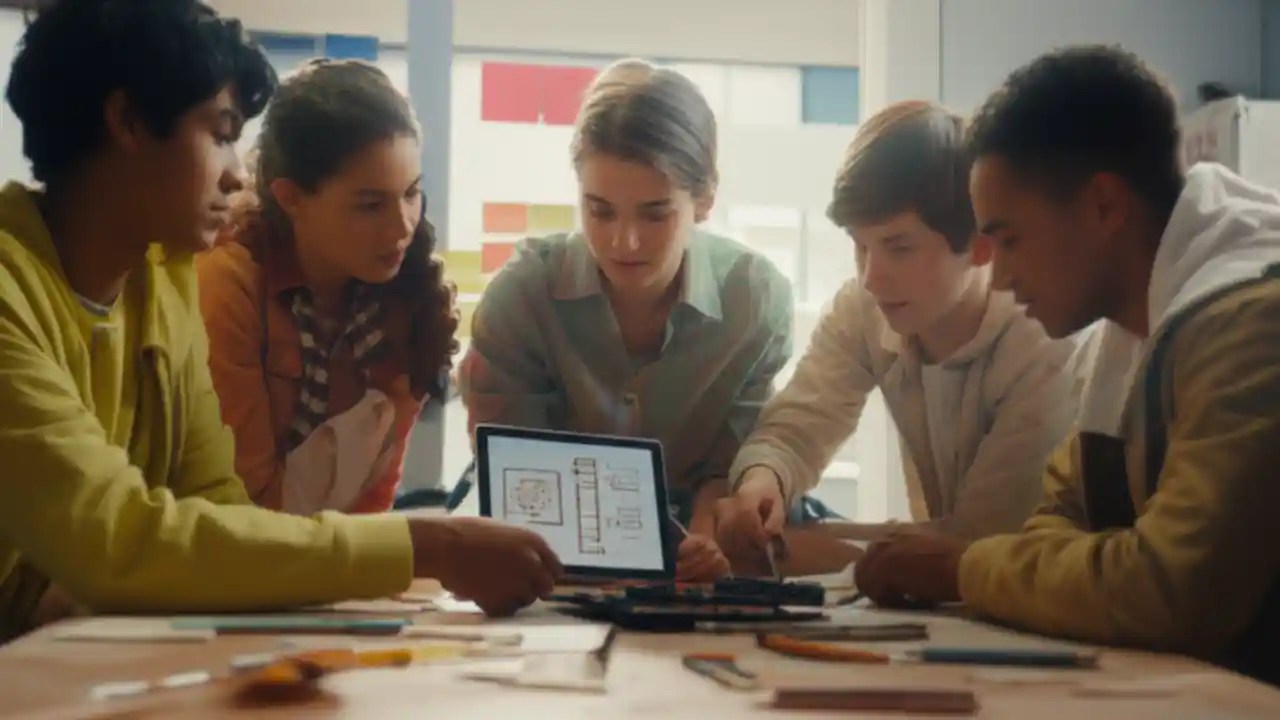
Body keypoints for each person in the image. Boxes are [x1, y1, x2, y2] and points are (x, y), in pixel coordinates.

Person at [0, 0, 559, 641]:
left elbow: (217, 506)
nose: (239, 171)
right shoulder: (15, 288)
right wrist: (422, 546)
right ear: (127, 122)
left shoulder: (164, 278)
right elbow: (119, 539)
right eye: (220, 131)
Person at [853, 46, 1280, 685]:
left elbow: (1169, 588)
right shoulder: (1117, 337)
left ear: (1104, 206)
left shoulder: (1251, 321)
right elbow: (1055, 523)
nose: (997, 277)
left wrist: (961, 568)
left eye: (1011, 239)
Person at [458, 59, 794, 582]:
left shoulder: (756, 299)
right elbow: (515, 475)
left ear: (704, 199)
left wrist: (706, 537)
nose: (623, 241)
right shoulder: (521, 296)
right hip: (548, 537)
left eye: (655, 213)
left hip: (697, 532)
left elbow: (730, 464)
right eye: (600, 210)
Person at [714, 101, 1079, 561]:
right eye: (859, 246)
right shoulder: (865, 307)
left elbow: (983, 544)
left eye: (898, 247)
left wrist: (807, 551)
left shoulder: (1043, 345)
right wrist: (762, 481)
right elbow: (796, 429)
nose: (871, 276)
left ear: (979, 246)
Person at [198, 60, 456, 515]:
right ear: (291, 197)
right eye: (371, 205)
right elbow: (243, 507)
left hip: (331, 569)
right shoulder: (227, 287)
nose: (402, 227)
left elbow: (374, 497)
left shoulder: (411, 295)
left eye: (412, 193)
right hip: (237, 565)